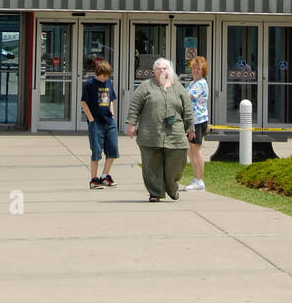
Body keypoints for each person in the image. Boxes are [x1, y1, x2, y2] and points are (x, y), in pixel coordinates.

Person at [126, 57, 194, 201]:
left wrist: (190, 127)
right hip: (150, 133)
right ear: (153, 71)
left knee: (176, 161)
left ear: (170, 70)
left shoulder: (178, 87)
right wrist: (131, 124)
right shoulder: (145, 86)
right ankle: (155, 193)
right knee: (152, 164)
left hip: (175, 133)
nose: (162, 71)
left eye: (165, 68)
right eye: (159, 69)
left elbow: (187, 109)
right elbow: (134, 106)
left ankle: (172, 187)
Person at [80, 58, 118, 189]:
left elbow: (111, 100)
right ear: (98, 73)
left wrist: (112, 113)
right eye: (104, 75)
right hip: (96, 122)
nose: (105, 78)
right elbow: (84, 102)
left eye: (107, 76)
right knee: (96, 151)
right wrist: (90, 118)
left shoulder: (108, 83)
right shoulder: (90, 84)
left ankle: (105, 176)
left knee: (113, 149)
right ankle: (94, 179)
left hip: (109, 121)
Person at [181, 55, 209, 192]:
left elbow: (188, 97)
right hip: (191, 121)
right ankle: (195, 179)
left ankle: (199, 180)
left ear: (203, 70)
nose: (195, 71)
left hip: (198, 121)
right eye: (193, 68)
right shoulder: (192, 83)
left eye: (198, 68)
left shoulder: (201, 83)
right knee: (190, 150)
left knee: (196, 150)